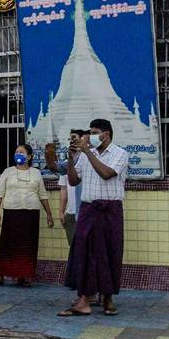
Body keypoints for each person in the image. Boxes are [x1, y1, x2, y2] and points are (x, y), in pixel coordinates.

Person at [60, 119, 128, 317]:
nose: (90, 136)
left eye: (94, 132)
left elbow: (107, 174)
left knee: (110, 253)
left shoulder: (120, 154)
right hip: (89, 209)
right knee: (84, 252)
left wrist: (87, 152)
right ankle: (84, 299)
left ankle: (108, 298)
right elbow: (73, 181)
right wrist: (72, 158)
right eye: (89, 132)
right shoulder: (83, 155)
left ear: (105, 134)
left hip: (110, 210)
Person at [0, 143, 53, 288]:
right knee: (7, 245)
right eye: (17, 152)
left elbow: (42, 194)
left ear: (29, 156)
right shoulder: (8, 172)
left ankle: (23, 276)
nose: (19, 154)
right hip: (11, 214)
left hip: (30, 215)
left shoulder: (36, 173)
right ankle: (0, 275)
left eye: (22, 152)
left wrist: (49, 214)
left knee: (27, 246)